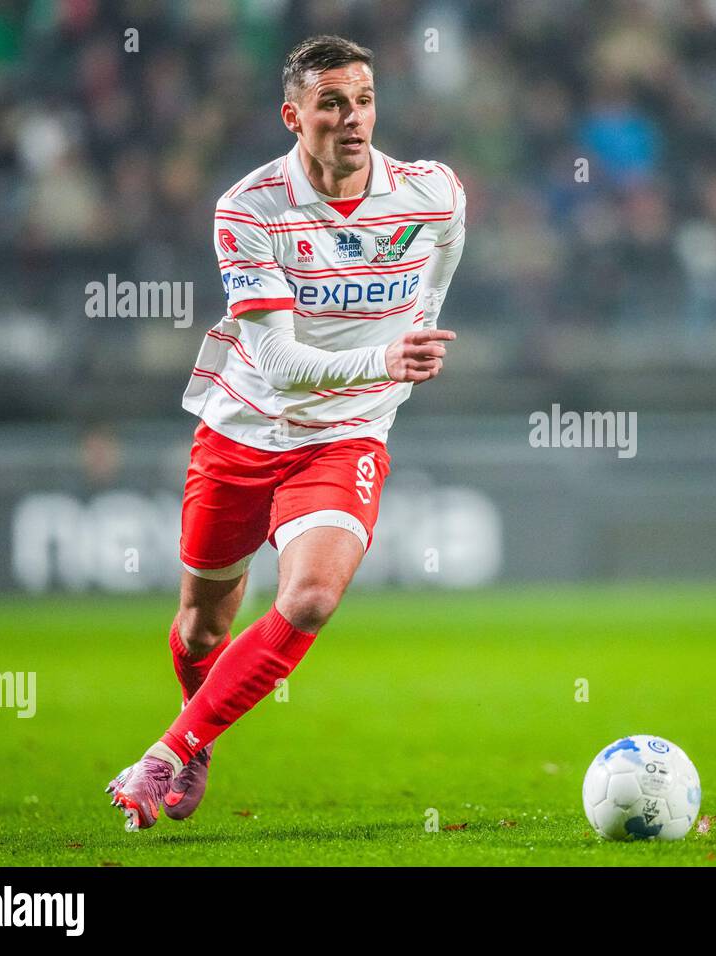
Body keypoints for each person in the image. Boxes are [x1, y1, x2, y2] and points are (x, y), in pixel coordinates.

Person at [106, 34, 466, 830]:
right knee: (203, 624)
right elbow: (274, 360)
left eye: (364, 100)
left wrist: (418, 332)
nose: (353, 118)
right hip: (243, 428)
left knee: (307, 597)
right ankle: (197, 732)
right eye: (332, 103)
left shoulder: (432, 193)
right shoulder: (250, 207)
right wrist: (391, 353)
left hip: (346, 436)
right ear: (293, 114)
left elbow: (442, 257)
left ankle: (164, 753)